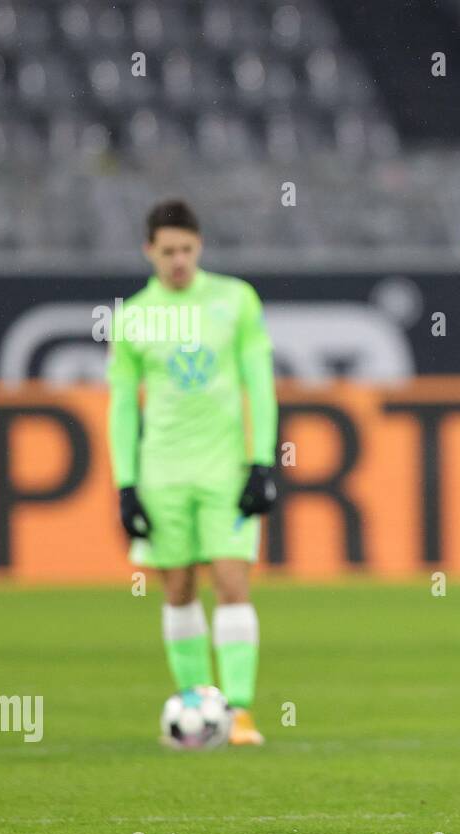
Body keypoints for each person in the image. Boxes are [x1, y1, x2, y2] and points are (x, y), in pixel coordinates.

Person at [107, 199, 278, 747]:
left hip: (224, 468)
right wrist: (126, 483)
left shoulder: (234, 300)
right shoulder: (133, 315)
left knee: (231, 579)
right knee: (178, 587)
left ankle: (240, 713)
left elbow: (259, 384)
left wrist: (262, 462)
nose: (178, 260)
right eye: (167, 252)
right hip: (162, 473)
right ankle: (193, 701)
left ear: (198, 247)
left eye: (185, 249)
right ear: (149, 252)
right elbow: (122, 406)